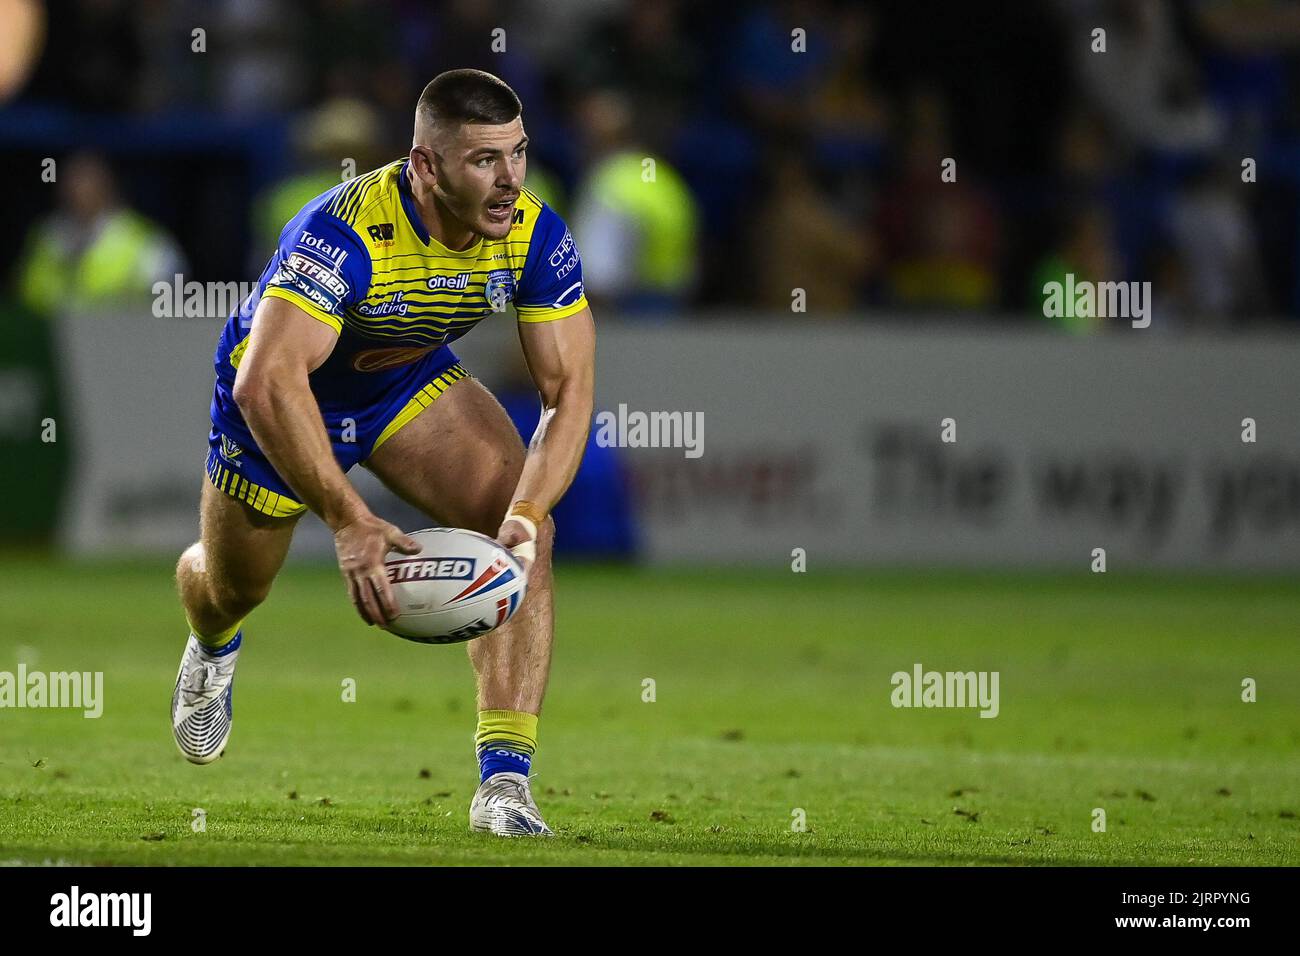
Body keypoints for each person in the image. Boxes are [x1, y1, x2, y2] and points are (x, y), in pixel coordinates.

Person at [171, 69, 595, 838]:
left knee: (523, 534)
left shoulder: (535, 235)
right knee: (233, 588)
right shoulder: (344, 230)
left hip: (403, 385)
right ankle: (211, 645)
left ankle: (505, 785)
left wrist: (530, 513)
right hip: (280, 403)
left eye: (518, 154)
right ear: (426, 166)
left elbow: (569, 395)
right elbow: (266, 383)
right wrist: (348, 518)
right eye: (484, 161)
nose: (509, 183)